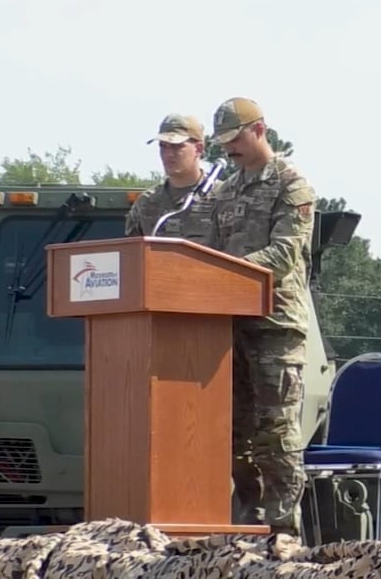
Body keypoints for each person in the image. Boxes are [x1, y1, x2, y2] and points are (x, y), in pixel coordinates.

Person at [204, 96, 317, 536]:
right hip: (227, 326)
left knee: (277, 433)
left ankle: (285, 531)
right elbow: (207, 252)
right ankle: (245, 525)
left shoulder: (292, 185)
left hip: (275, 326)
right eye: (222, 142)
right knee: (235, 434)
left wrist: (227, 275)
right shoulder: (224, 191)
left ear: (259, 130)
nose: (228, 149)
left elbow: (285, 253)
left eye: (234, 138)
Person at [124, 113, 219, 240]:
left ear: (199, 149)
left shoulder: (222, 197)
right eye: (163, 146)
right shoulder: (146, 202)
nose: (168, 154)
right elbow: (133, 253)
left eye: (177, 146)